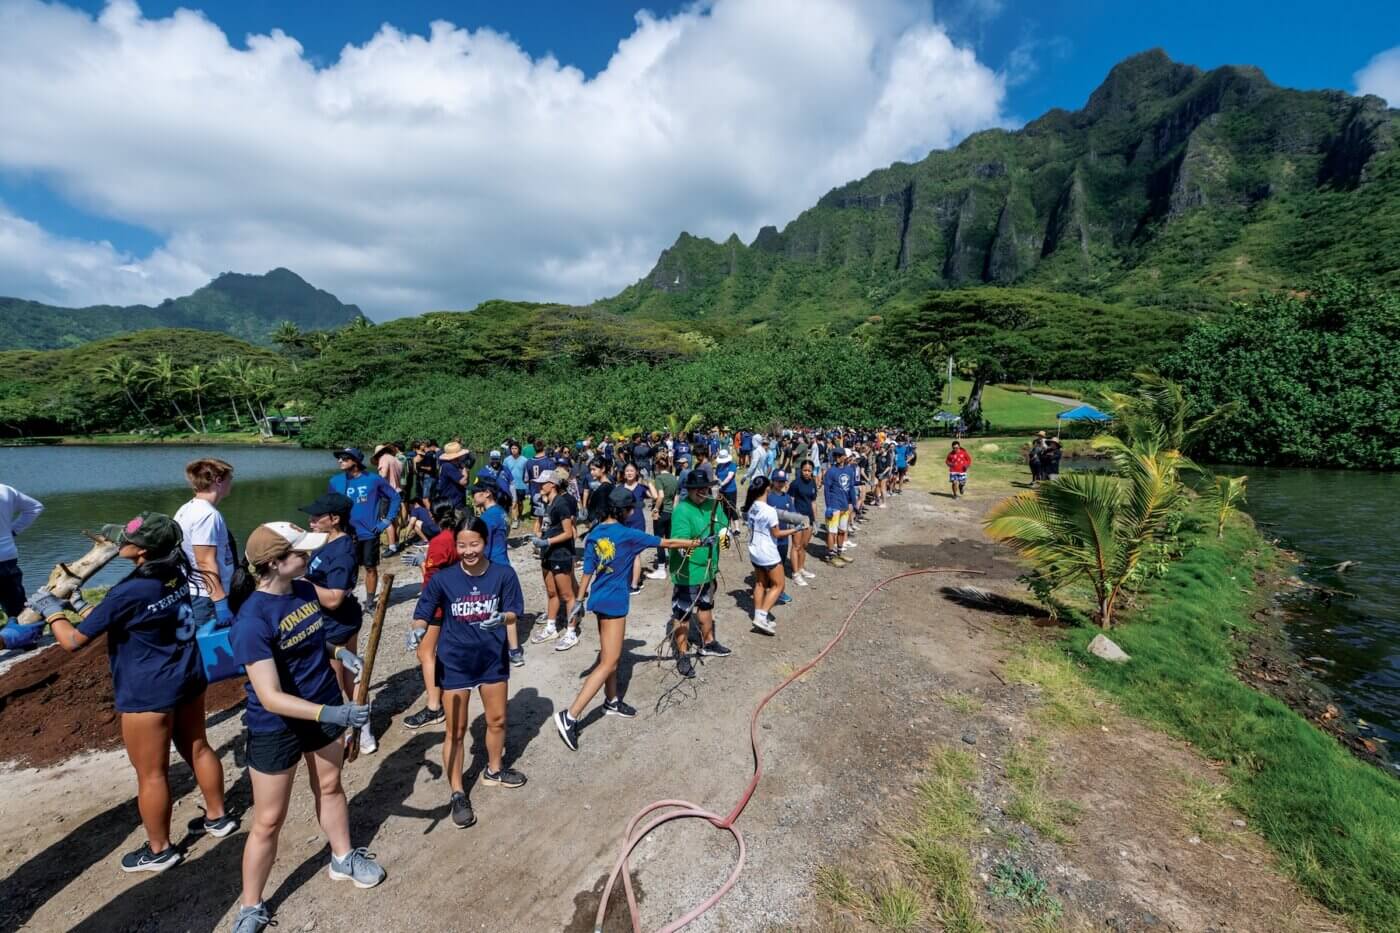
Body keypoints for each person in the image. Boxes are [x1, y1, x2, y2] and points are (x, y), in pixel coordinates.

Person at [34, 512, 234, 873]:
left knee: (152, 774)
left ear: (140, 551)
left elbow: (73, 641)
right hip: (187, 675)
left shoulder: (128, 590)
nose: (117, 542)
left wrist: (50, 611)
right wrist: (79, 605)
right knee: (198, 746)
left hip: (147, 694)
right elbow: (122, 615)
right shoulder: (174, 573)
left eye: (122, 539)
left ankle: (159, 850)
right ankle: (218, 818)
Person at [555, 487, 705, 751]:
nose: (634, 512)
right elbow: (666, 543)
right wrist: (695, 543)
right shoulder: (628, 535)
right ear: (622, 511)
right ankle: (570, 715)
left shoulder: (596, 533)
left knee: (606, 656)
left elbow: (587, 571)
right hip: (614, 602)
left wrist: (578, 603)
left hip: (598, 599)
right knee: (610, 661)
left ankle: (611, 701)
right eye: (631, 508)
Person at [406, 516, 527, 829]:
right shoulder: (444, 579)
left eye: (475, 544)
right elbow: (423, 612)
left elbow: (515, 610)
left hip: (491, 659)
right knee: (456, 731)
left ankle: (494, 770)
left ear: (485, 543)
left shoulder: (503, 574)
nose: (469, 550)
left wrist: (503, 617)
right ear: (455, 545)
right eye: (462, 545)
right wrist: (418, 630)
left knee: (497, 719)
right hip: (456, 661)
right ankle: (457, 792)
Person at [299, 492, 375, 754]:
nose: (311, 520)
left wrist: (303, 584)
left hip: (336, 623)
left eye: (317, 517)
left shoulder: (342, 552)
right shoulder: (325, 541)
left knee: (335, 680)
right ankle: (361, 727)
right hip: (333, 621)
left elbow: (333, 599)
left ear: (334, 519)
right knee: (347, 676)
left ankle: (356, 731)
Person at [402, 503, 467, 730]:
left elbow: (432, 583)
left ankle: (434, 707)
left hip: (438, 606)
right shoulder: (458, 536)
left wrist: (422, 562)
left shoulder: (440, 542)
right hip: (455, 600)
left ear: (433, 516)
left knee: (425, 653)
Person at [666, 471, 732, 678]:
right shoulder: (682, 510)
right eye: (698, 489)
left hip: (708, 570)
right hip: (688, 573)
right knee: (683, 614)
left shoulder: (714, 504)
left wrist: (724, 540)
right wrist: (696, 545)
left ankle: (709, 642)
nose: (703, 492)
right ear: (690, 490)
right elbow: (680, 544)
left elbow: (722, 529)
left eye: (705, 488)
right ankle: (683, 654)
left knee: (706, 605)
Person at [327, 447, 401, 612]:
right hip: (344, 534)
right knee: (345, 568)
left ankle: (369, 603)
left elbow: (395, 497)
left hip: (368, 533)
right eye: (339, 458)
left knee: (370, 567)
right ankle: (344, 600)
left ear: (356, 462)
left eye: (345, 458)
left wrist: (386, 521)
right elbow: (328, 506)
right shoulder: (335, 482)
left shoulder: (373, 480)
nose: (340, 461)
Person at [174, 458, 238, 635]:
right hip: (206, 596)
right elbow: (204, 561)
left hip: (196, 590)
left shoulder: (186, 508)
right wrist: (220, 602)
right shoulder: (207, 515)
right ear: (218, 480)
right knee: (210, 648)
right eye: (229, 478)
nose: (231, 483)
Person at [530, 468, 581, 651]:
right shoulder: (547, 503)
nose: (539, 486)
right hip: (548, 554)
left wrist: (546, 541)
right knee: (551, 592)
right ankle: (551, 627)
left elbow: (568, 533)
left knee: (567, 595)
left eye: (542, 483)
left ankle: (571, 632)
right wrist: (537, 536)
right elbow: (547, 526)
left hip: (560, 553)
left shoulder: (561, 504)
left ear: (552, 485)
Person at [0, 482, 45, 649]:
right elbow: (35, 507)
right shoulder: (5, 490)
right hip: (7, 555)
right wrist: (13, 530)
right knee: (16, 603)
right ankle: (28, 640)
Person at [618, 462, 656, 595]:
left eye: (632, 471)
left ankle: (634, 585)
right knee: (624, 552)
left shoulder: (641, 488)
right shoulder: (620, 488)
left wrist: (648, 480)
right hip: (623, 523)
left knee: (635, 554)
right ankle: (631, 579)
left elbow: (655, 496)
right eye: (627, 471)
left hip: (637, 523)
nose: (629, 473)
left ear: (636, 473)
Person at [647, 451, 679, 581]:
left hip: (661, 512)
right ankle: (675, 566)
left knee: (659, 541)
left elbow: (660, 496)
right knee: (671, 539)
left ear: (657, 465)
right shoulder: (673, 478)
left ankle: (661, 570)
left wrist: (655, 509)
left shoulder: (659, 479)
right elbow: (676, 497)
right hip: (671, 512)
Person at [786, 460, 819, 586]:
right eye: (804, 470)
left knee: (804, 546)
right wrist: (791, 518)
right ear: (800, 470)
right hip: (797, 519)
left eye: (809, 470)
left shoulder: (812, 483)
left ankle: (801, 568)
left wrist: (815, 520)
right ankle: (795, 574)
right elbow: (790, 501)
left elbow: (813, 502)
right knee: (796, 546)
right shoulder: (795, 484)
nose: (807, 473)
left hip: (808, 519)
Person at [821, 449, 853, 566]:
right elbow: (826, 490)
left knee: (842, 531)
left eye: (842, 455)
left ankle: (839, 552)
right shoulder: (830, 472)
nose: (840, 458)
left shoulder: (849, 470)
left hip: (844, 506)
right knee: (832, 532)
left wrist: (852, 502)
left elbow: (851, 487)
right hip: (834, 506)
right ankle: (830, 556)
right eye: (838, 456)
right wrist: (828, 506)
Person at [373, 444, 404, 556]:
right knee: (394, 518)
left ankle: (392, 547)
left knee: (385, 519)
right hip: (398, 491)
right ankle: (395, 543)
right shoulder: (395, 459)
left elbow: (383, 475)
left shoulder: (383, 459)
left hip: (387, 493)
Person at [436, 441, 472, 511]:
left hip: (457, 500)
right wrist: (465, 468)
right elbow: (463, 482)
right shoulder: (448, 466)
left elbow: (466, 483)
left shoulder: (454, 465)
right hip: (453, 502)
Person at [503, 442, 529, 528]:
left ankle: (520, 515)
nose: (514, 450)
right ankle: (515, 519)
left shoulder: (524, 460)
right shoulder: (506, 460)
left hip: (521, 485)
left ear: (519, 449)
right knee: (513, 503)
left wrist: (527, 483)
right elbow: (504, 472)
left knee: (520, 503)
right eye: (512, 448)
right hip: (510, 485)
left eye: (515, 448)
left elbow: (527, 473)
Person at [715, 449, 738, 517]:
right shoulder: (719, 466)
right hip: (721, 491)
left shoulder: (732, 465)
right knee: (723, 508)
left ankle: (736, 527)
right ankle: (728, 525)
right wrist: (718, 482)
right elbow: (716, 475)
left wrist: (722, 484)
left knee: (731, 509)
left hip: (730, 490)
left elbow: (729, 477)